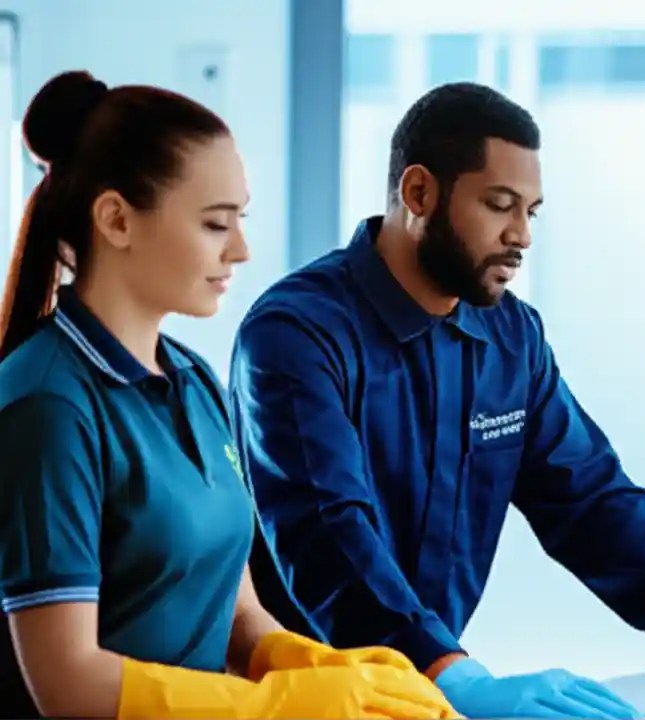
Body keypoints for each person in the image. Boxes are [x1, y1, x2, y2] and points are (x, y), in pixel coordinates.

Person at [228, 81, 645, 720]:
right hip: (298, 696)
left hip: (425, 691)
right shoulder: (296, 334)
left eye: (531, 212)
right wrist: (450, 674)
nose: (521, 236)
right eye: (499, 205)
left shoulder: (511, 336)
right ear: (419, 193)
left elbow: (590, 498)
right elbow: (325, 534)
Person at [0, 70, 456, 719]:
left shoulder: (194, 381)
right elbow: (70, 685)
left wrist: (317, 666)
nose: (240, 250)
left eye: (240, 219)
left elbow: (236, 610)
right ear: (116, 220)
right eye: (217, 224)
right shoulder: (47, 404)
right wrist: (273, 705)